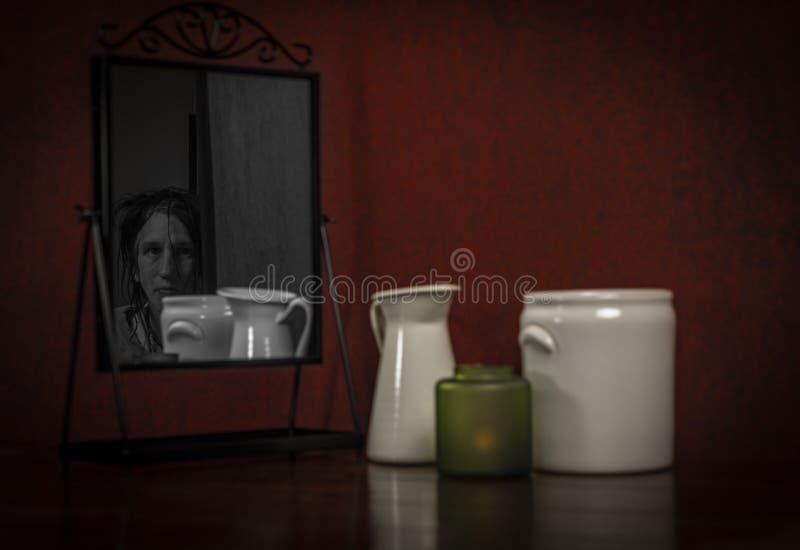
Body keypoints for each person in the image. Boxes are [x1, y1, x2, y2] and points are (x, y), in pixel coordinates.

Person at [114, 187, 202, 357]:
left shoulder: (226, 333)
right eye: (153, 250)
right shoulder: (108, 334)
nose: (166, 270)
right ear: (134, 268)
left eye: (183, 251)